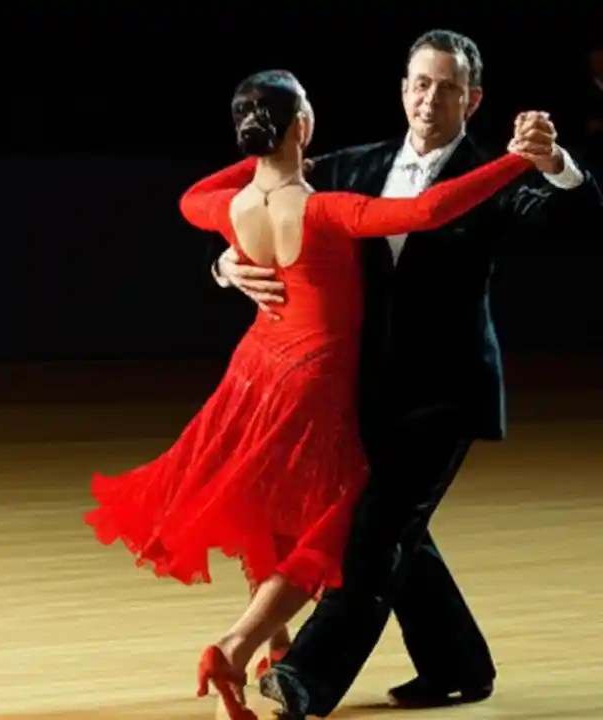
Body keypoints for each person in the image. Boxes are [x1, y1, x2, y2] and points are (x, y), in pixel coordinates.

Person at [84, 67, 539, 720]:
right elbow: (428, 211)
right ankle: (235, 648)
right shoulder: (326, 210)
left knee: (272, 508)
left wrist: (232, 244)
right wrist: (516, 160)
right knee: (336, 526)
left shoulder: (231, 207)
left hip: (254, 367)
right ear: (303, 124)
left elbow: (191, 197)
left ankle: (278, 646)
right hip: (312, 377)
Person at [206, 32, 603, 718]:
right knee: (400, 532)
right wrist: (224, 266)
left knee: (372, 534)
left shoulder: (492, 173)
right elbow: (260, 197)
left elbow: (576, 215)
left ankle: (303, 678)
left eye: (448, 87)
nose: (430, 98)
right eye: (421, 83)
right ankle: (458, 665)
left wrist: (555, 163)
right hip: (361, 387)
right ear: (402, 90)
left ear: (472, 100)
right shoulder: (350, 166)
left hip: (446, 392)